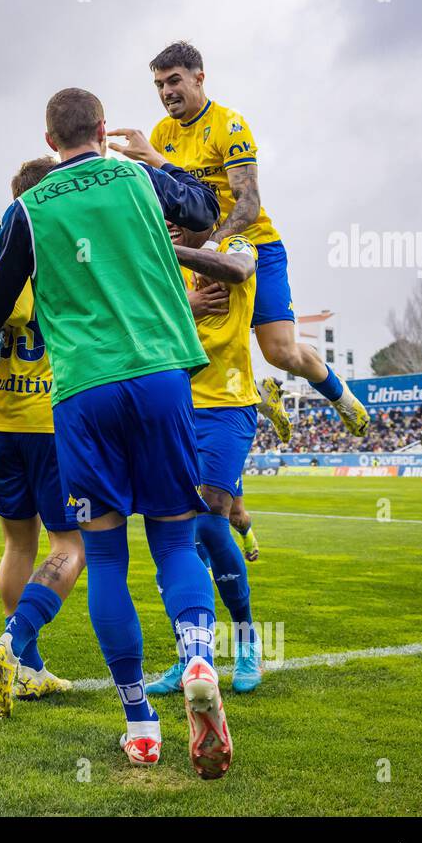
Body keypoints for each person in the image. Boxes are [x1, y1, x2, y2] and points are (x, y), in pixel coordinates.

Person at [0, 87, 236, 778]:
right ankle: (199, 653)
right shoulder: (139, 177)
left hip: (84, 393)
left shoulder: (27, 209)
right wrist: (153, 162)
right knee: (176, 538)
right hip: (160, 376)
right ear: (99, 128)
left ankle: (140, 724)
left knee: (107, 559)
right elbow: (207, 212)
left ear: (49, 139)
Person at [113, 40, 369, 442]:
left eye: (174, 80)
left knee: (281, 352)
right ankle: (255, 401)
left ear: (200, 78)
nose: (166, 92)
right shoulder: (161, 133)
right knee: (197, 343)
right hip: (201, 254)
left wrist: (212, 245)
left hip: (253, 246)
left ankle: (341, 398)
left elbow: (248, 204)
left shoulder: (229, 125)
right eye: (159, 85)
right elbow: (168, 202)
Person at [0, 157, 85, 718]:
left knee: (18, 545)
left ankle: (30, 669)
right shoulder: (64, 257)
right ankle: (13, 644)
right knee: (71, 546)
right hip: (49, 425)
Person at [146, 220, 264, 697]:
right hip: (174, 403)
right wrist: (180, 301)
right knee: (177, 529)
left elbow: (237, 271)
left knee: (211, 516)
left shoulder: (233, 245)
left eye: (180, 221)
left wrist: (169, 250)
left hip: (228, 407)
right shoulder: (167, 269)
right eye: (166, 222)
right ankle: (190, 654)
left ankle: (247, 642)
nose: (172, 228)